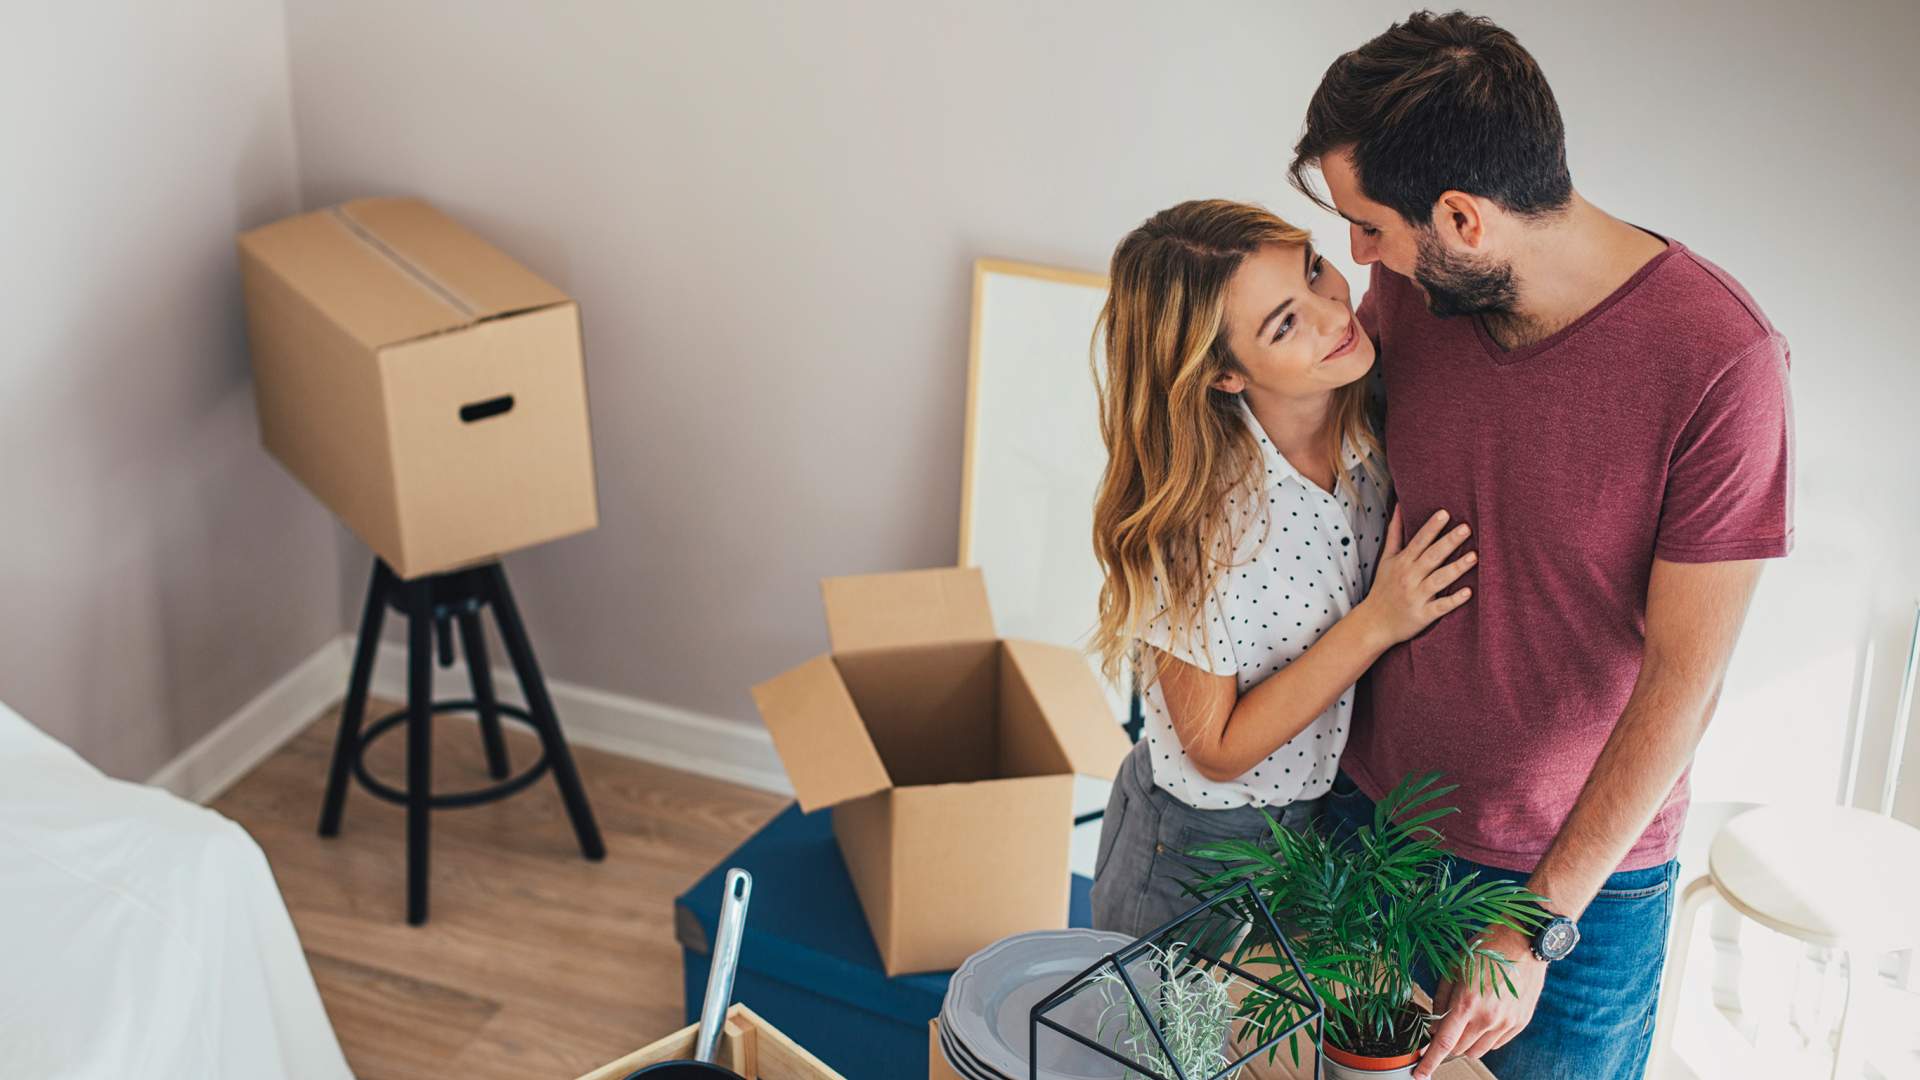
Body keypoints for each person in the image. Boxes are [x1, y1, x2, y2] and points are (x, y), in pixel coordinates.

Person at [1290, 12, 1795, 1080]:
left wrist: (1538, 924)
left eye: (1368, 226)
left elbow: (1686, 681)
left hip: (1574, 893)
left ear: (1462, 218)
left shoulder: (1722, 361)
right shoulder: (1414, 294)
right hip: (1373, 822)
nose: (1358, 257)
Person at [1084, 198, 1475, 938]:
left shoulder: (1371, 423)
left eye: (1314, 270)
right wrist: (1379, 623)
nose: (1333, 314)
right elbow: (1216, 750)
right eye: (1285, 324)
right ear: (1224, 375)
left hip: (1320, 826)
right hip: (1194, 848)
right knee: (1160, 1019)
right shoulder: (1201, 525)